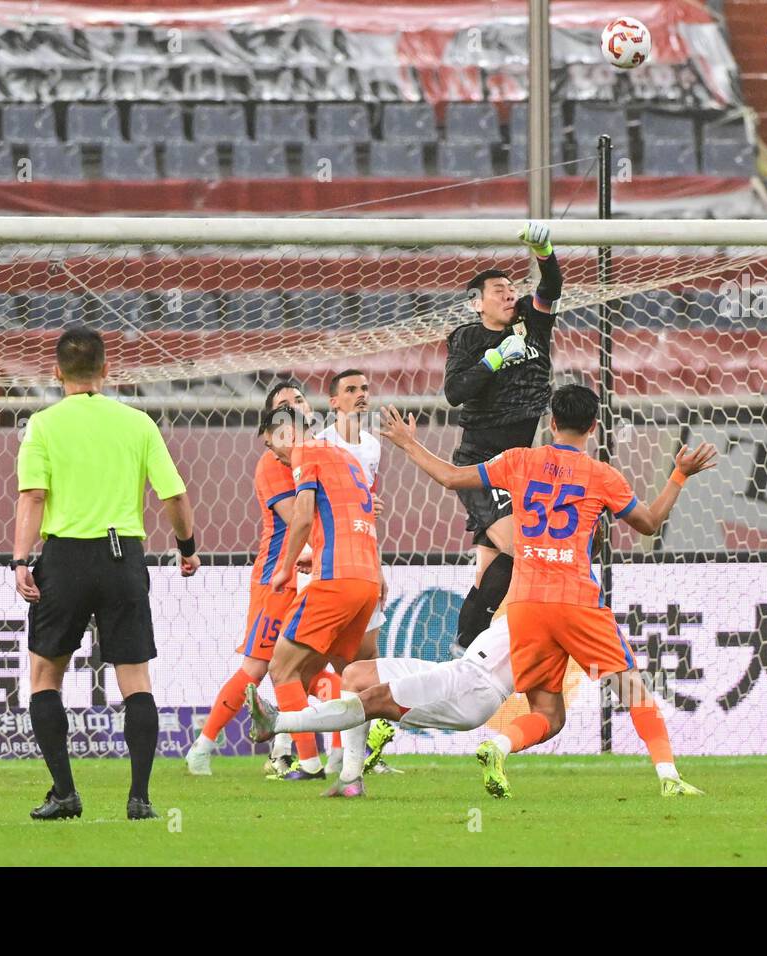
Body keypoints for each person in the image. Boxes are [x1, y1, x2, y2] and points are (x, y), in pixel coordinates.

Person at [376, 384, 717, 797]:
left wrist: (409, 444)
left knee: (548, 713)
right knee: (632, 688)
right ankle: (669, 778)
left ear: (551, 422)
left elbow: (451, 478)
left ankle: (499, 745)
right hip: (575, 601)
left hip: (525, 605)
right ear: (593, 426)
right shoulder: (602, 475)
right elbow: (648, 522)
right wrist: (679, 476)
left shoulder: (520, 460)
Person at [13, 326, 199, 821]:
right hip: (123, 556)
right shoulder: (137, 423)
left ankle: (65, 792)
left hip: (66, 557)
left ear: (56, 372)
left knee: (44, 676)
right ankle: (139, 797)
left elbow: (32, 496)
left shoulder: (44, 425)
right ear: (106, 370)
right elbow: (174, 496)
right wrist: (187, 548)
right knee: (135, 680)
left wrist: (18, 559)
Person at [184, 380, 342, 777]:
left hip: (318, 573)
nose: (295, 408)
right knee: (259, 667)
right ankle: (204, 746)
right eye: (284, 406)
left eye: (300, 401)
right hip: (280, 577)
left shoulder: (322, 455)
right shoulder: (272, 464)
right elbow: (296, 519)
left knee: (316, 671)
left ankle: (315, 757)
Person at [247, 612, 523, 797]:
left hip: (473, 689)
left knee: (374, 700)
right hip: (460, 670)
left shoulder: (553, 607)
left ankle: (277, 722)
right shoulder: (533, 589)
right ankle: (350, 780)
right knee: (355, 676)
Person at [444, 221, 562, 654]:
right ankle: (471, 650)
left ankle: (463, 649)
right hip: (481, 461)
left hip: (518, 465)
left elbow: (551, 285)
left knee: (495, 571)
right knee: (525, 549)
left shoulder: (532, 324)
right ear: (476, 303)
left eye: (512, 287)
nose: (509, 292)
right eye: (499, 289)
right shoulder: (468, 338)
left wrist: (544, 252)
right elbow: (454, 393)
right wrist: (492, 361)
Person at [259, 405, 381, 786]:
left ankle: (309, 763)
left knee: (281, 669)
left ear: (285, 433)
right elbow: (352, 520)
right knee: (341, 677)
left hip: (335, 580)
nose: (275, 454)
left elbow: (304, 516)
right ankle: (351, 773)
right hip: (366, 580)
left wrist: (285, 566)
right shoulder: (346, 456)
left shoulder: (305, 452)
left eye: (272, 444)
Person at [314, 368, 401, 774]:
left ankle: (359, 757)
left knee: (367, 664)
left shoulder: (371, 447)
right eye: (351, 390)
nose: (360, 395)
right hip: (331, 563)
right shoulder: (319, 445)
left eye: (365, 388)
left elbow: (368, 511)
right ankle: (301, 749)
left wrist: (379, 564)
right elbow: (311, 508)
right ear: (334, 401)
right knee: (326, 666)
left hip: (365, 560)